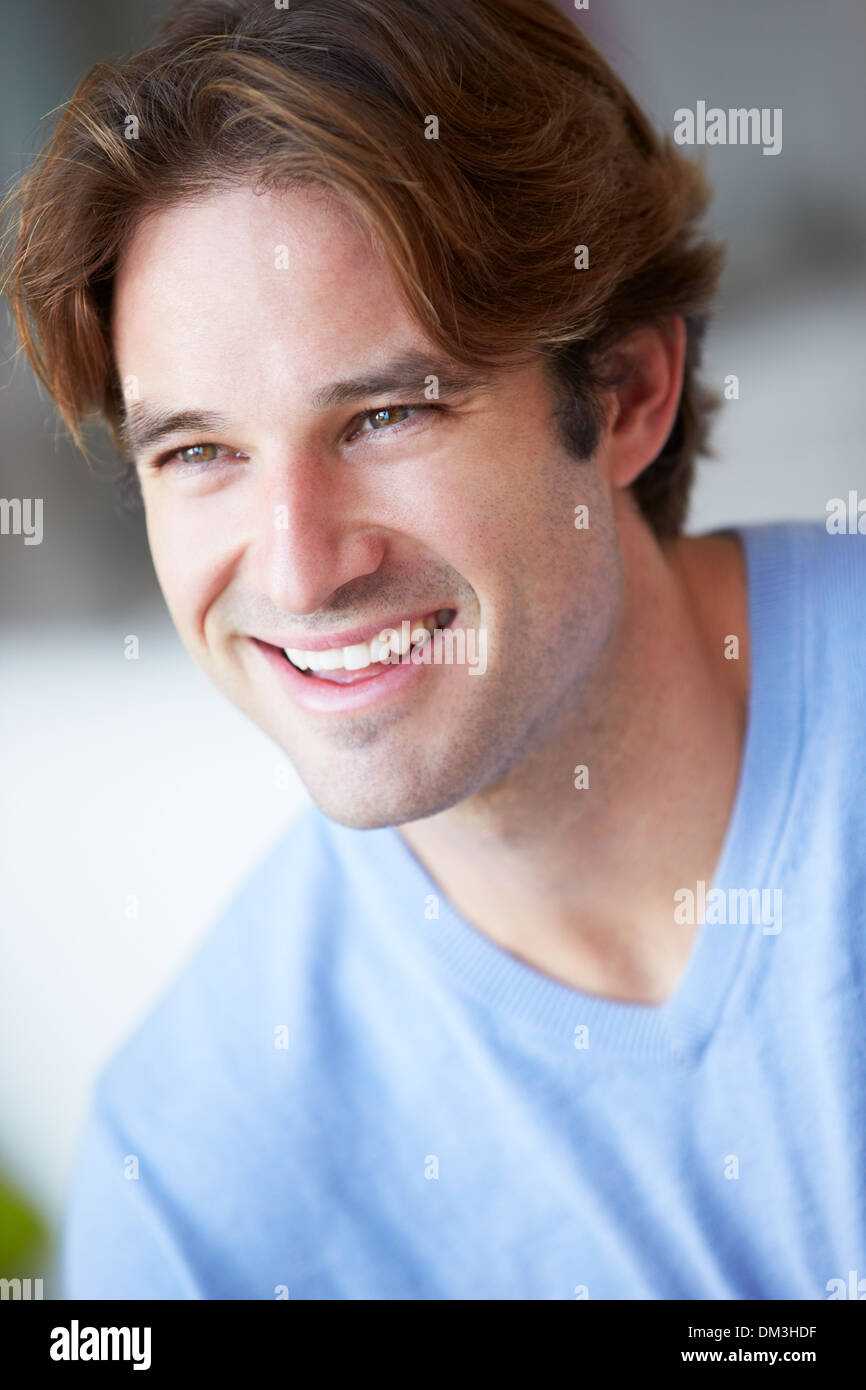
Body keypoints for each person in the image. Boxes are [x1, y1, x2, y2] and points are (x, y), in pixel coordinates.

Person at [3, 0, 864, 1300]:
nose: (298, 568)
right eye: (201, 452)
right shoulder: (189, 1197)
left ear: (627, 392)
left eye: (387, 415)